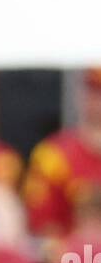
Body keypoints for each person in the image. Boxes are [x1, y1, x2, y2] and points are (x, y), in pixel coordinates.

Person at [23, 68, 101, 241]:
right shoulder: (53, 155)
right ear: (81, 94)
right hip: (73, 261)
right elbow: (41, 228)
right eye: (95, 91)